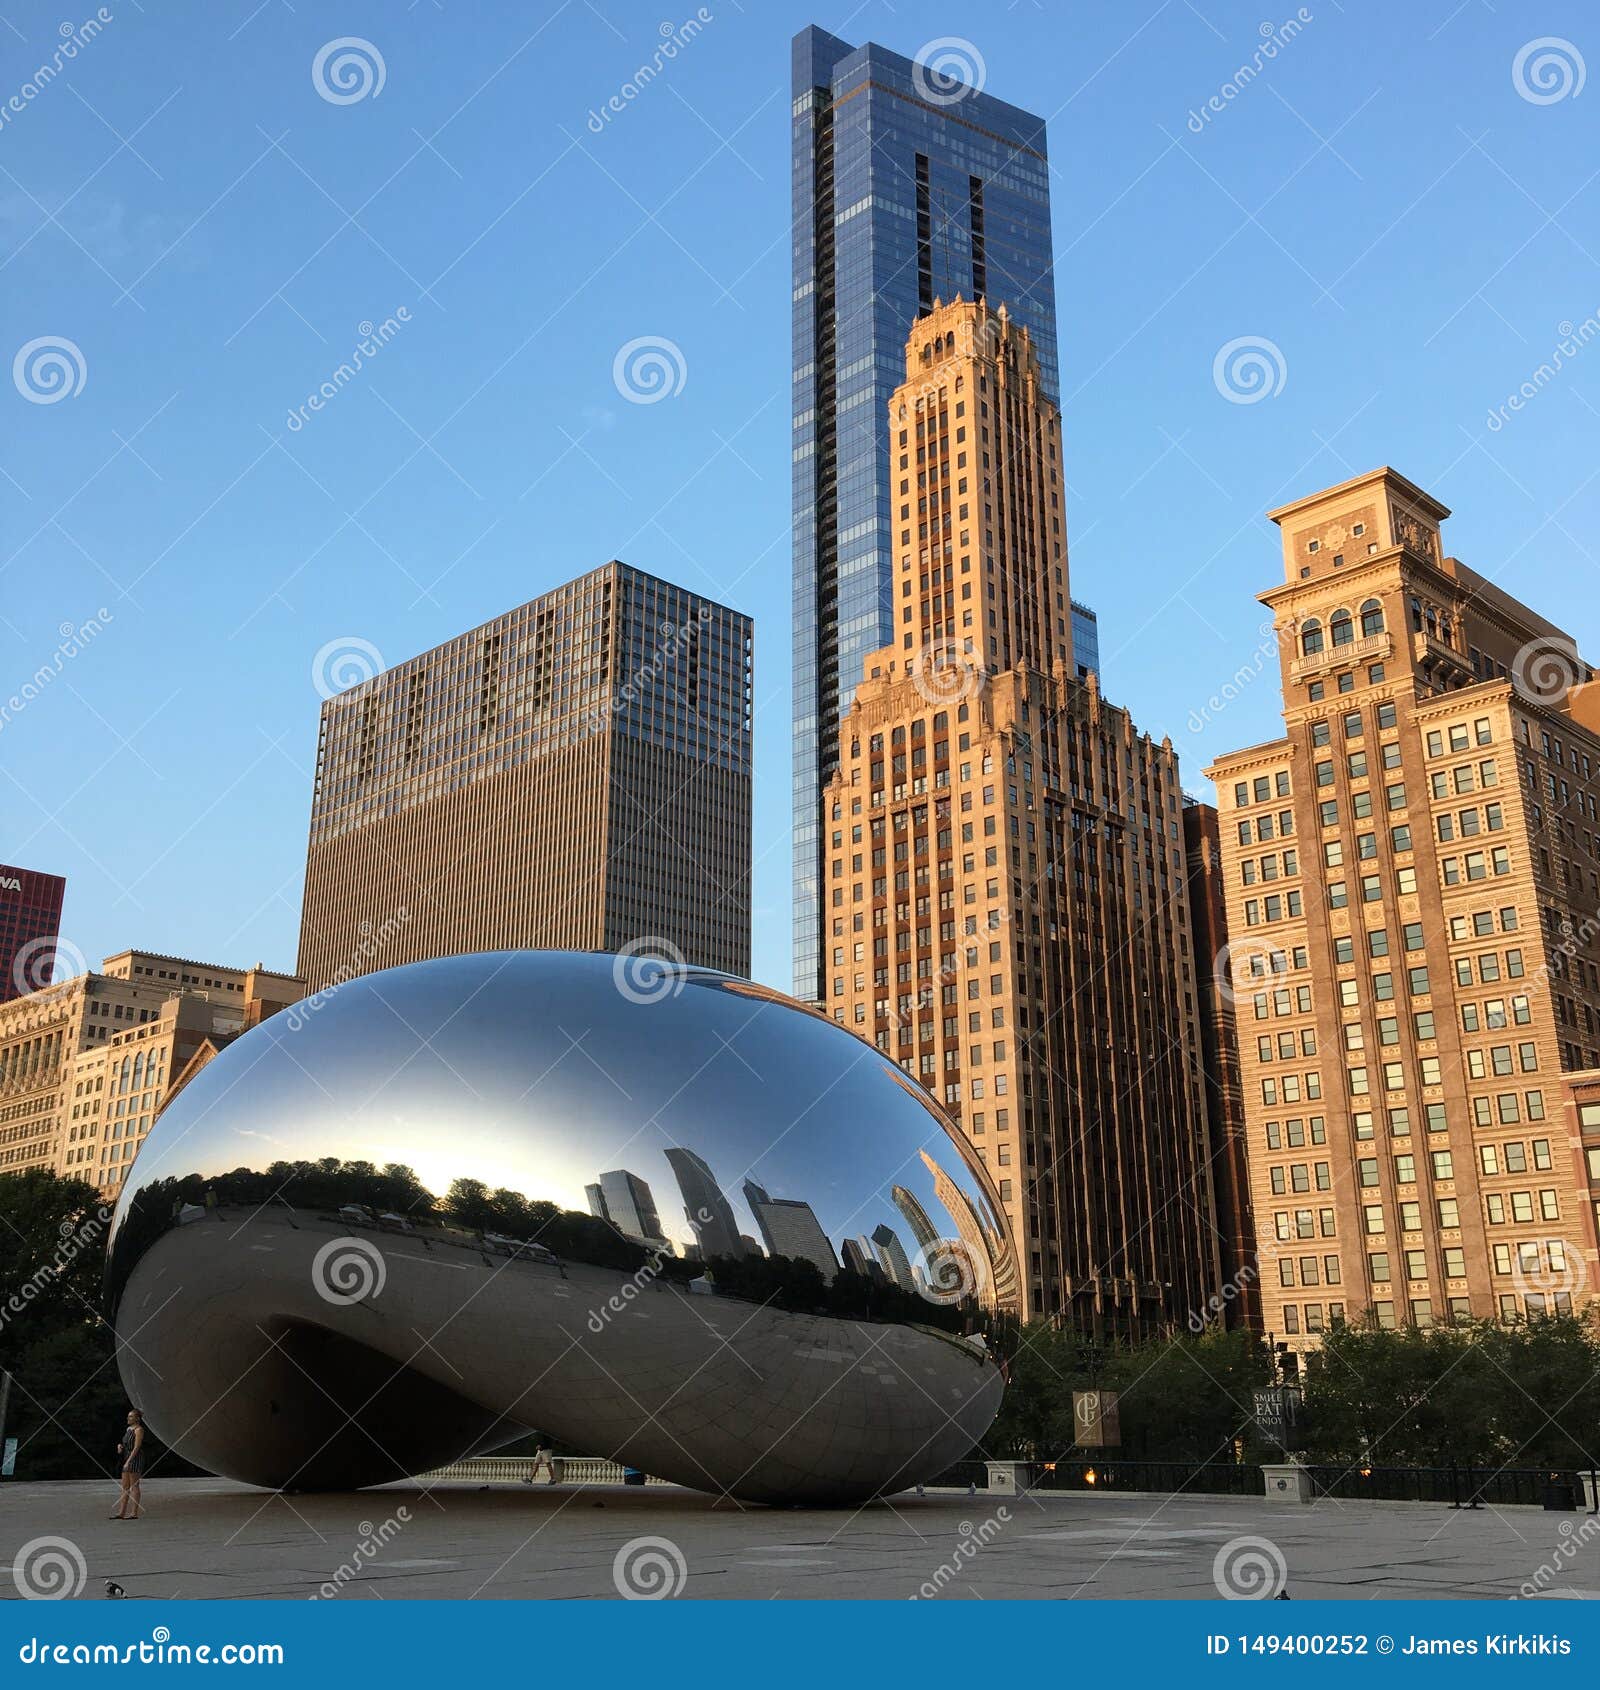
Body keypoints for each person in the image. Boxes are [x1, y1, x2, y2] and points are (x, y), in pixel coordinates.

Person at [110, 1409, 145, 1519]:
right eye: (128, 1416)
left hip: (134, 1458)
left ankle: (134, 1513)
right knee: (125, 1487)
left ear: (137, 1419)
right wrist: (120, 1446)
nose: (128, 1418)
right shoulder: (128, 1429)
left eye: (130, 1416)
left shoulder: (139, 1430)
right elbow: (127, 1444)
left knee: (134, 1486)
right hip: (127, 1458)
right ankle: (121, 1512)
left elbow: (137, 1447)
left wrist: (129, 1461)